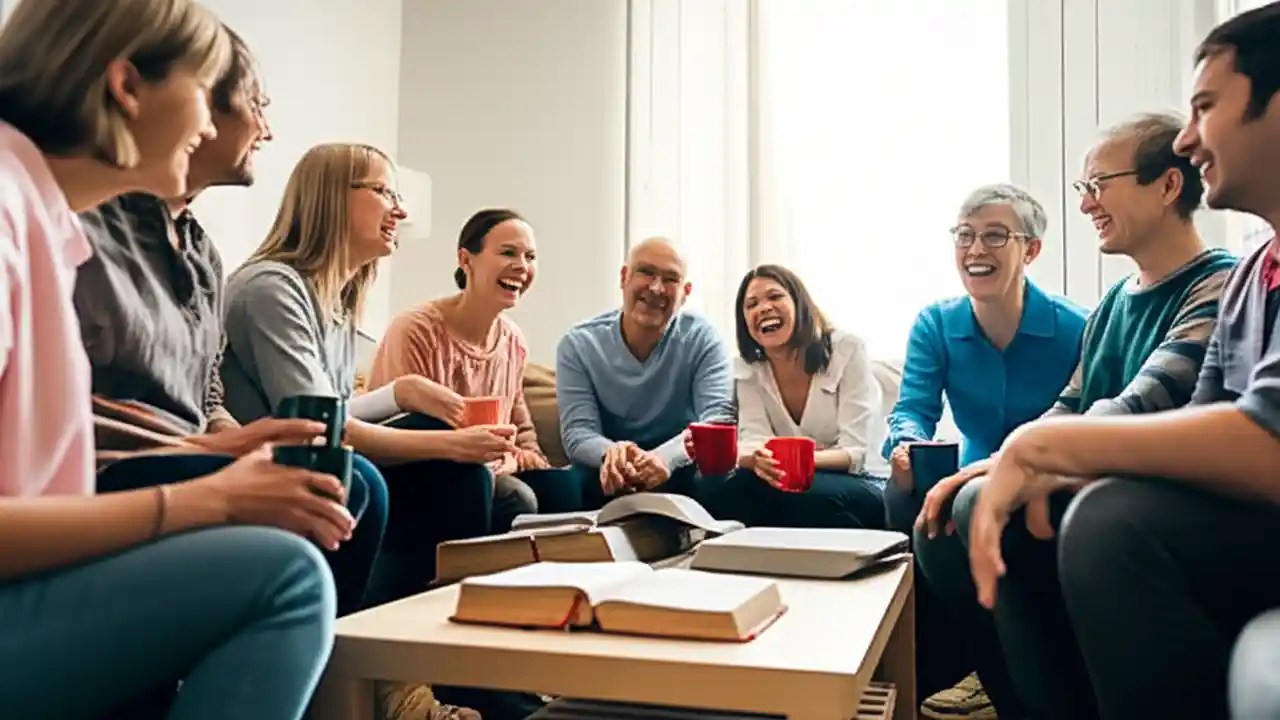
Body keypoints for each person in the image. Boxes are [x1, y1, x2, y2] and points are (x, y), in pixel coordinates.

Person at [0, 2, 344, 719]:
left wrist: (206, 453)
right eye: (206, 89)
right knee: (285, 577)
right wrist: (206, 497)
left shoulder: (42, 220)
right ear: (128, 86)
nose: (211, 126)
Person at [965, 5, 1280, 718]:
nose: (1189, 139)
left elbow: (1264, 438)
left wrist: (1044, 446)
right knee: (1004, 503)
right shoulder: (1258, 269)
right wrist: (1031, 456)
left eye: (1205, 107)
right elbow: (1207, 414)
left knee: (1111, 520)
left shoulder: (1218, 275)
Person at [914, 113, 1236, 719]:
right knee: (939, 527)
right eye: (1082, 190)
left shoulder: (1215, 281)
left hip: (1144, 486)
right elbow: (1070, 404)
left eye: (1098, 185)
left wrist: (1013, 463)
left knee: (979, 506)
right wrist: (992, 461)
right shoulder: (1116, 299)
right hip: (1094, 472)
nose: (1086, 205)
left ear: (1168, 187)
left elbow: (1144, 400)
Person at [73, 28, 390, 620]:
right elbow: (69, 410)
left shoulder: (203, 254)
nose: (267, 131)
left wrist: (228, 433)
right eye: (258, 105)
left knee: (356, 483)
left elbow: (207, 389)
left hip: (184, 452)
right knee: (350, 484)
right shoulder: (79, 228)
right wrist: (212, 444)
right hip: (113, 472)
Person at [881, 183, 1089, 719]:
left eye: (995, 236)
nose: (975, 250)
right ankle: (960, 664)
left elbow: (1090, 417)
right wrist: (905, 445)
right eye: (965, 236)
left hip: (1042, 478)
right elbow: (912, 409)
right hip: (967, 476)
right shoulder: (936, 324)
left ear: (1031, 250)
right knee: (903, 498)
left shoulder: (1075, 327)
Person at [370, 208, 583, 520]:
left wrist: (515, 457)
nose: (522, 266)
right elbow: (401, 429)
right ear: (466, 260)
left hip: (487, 468)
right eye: (508, 252)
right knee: (515, 497)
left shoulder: (513, 341)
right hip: (420, 468)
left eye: (530, 256)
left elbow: (521, 434)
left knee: (564, 486)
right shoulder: (415, 329)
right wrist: (484, 458)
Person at [556, 237, 735, 510]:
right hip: (612, 469)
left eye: (670, 278)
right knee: (566, 484)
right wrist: (612, 454)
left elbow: (717, 418)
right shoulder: (579, 344)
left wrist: (665, 458)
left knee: (719, 478)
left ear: (685, 292)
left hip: (681, 466)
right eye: (645, 272)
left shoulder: (703, 338)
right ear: (624, 276)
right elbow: (578, 432)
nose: (655, 288)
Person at [714, 264, 888, 528]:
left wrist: (796, 461)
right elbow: (754, 439)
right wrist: (758, 460)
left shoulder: (846, 349)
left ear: (799, 303)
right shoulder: (747, 370)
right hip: (783, 481)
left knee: (807, 496)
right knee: (732, 486)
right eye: (751, 304)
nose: (763, 308)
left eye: (775, 297)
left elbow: (856, 451)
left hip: (859, 480)